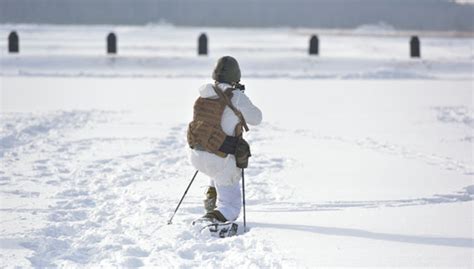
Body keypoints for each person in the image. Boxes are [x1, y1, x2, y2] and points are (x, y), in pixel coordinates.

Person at [187, 56, 262, 224]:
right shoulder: (236, 96)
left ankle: (212, 192)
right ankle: (210, 219)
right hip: (221, 160)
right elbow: (257, 118)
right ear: (236, 76)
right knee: (231, 206)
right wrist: (242, 99)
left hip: (198, 155)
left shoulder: (204, 94)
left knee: (215, 164)